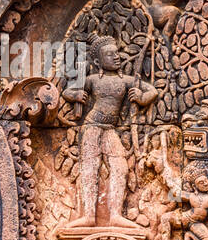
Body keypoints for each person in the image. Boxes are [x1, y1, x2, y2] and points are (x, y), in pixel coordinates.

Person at [63, 35, 159, 229]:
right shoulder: (92, 80)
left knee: (120, 167)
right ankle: (88, 216)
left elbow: (153, 91)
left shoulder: (126, 80)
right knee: (90, 168)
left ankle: (115, 215)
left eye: (117, 53)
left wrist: (141, 97)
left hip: (109, 129)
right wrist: (76, 95)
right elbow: (67, 91)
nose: (116, 57)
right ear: (98, 61)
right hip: (91, 125)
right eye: (110, 54)